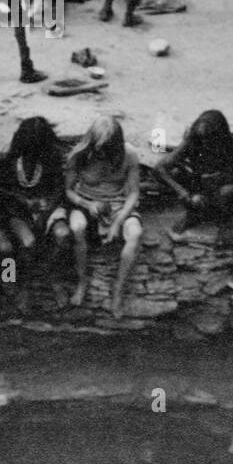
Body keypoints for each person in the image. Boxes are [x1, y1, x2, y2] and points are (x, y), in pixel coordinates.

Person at [64, 115, 143, 317]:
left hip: (117, 204)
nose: (103, 153)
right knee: (77, 228)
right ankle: (82, 282)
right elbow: (69, 191)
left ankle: (118, 290)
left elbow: (133, 193)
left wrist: (118, 221)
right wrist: (86, 204)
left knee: (135, 234)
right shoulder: (80, 156)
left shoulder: (129, 154)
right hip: (86, 202)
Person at [0, 117, 68, 308]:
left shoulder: (52, 160)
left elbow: (59, 190)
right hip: (18, 212)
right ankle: (20, 283)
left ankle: (53, 275)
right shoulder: (8, 162)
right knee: (26, 242)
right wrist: (23, 200)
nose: (33, 151)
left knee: (63, 234)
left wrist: (45, 213)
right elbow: (0, 191)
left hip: (47, 208)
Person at [156, 110, 233, 238]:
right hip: (201, 189)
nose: (204, 143)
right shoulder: (193, 139)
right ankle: (194, 214)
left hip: (225, 193)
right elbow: (159, 168)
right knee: (175, 173)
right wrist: (184, 194)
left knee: (227, 191)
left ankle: (225, 221)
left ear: (219, 135)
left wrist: (221, 177)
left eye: (208, 139)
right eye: (201, 139)